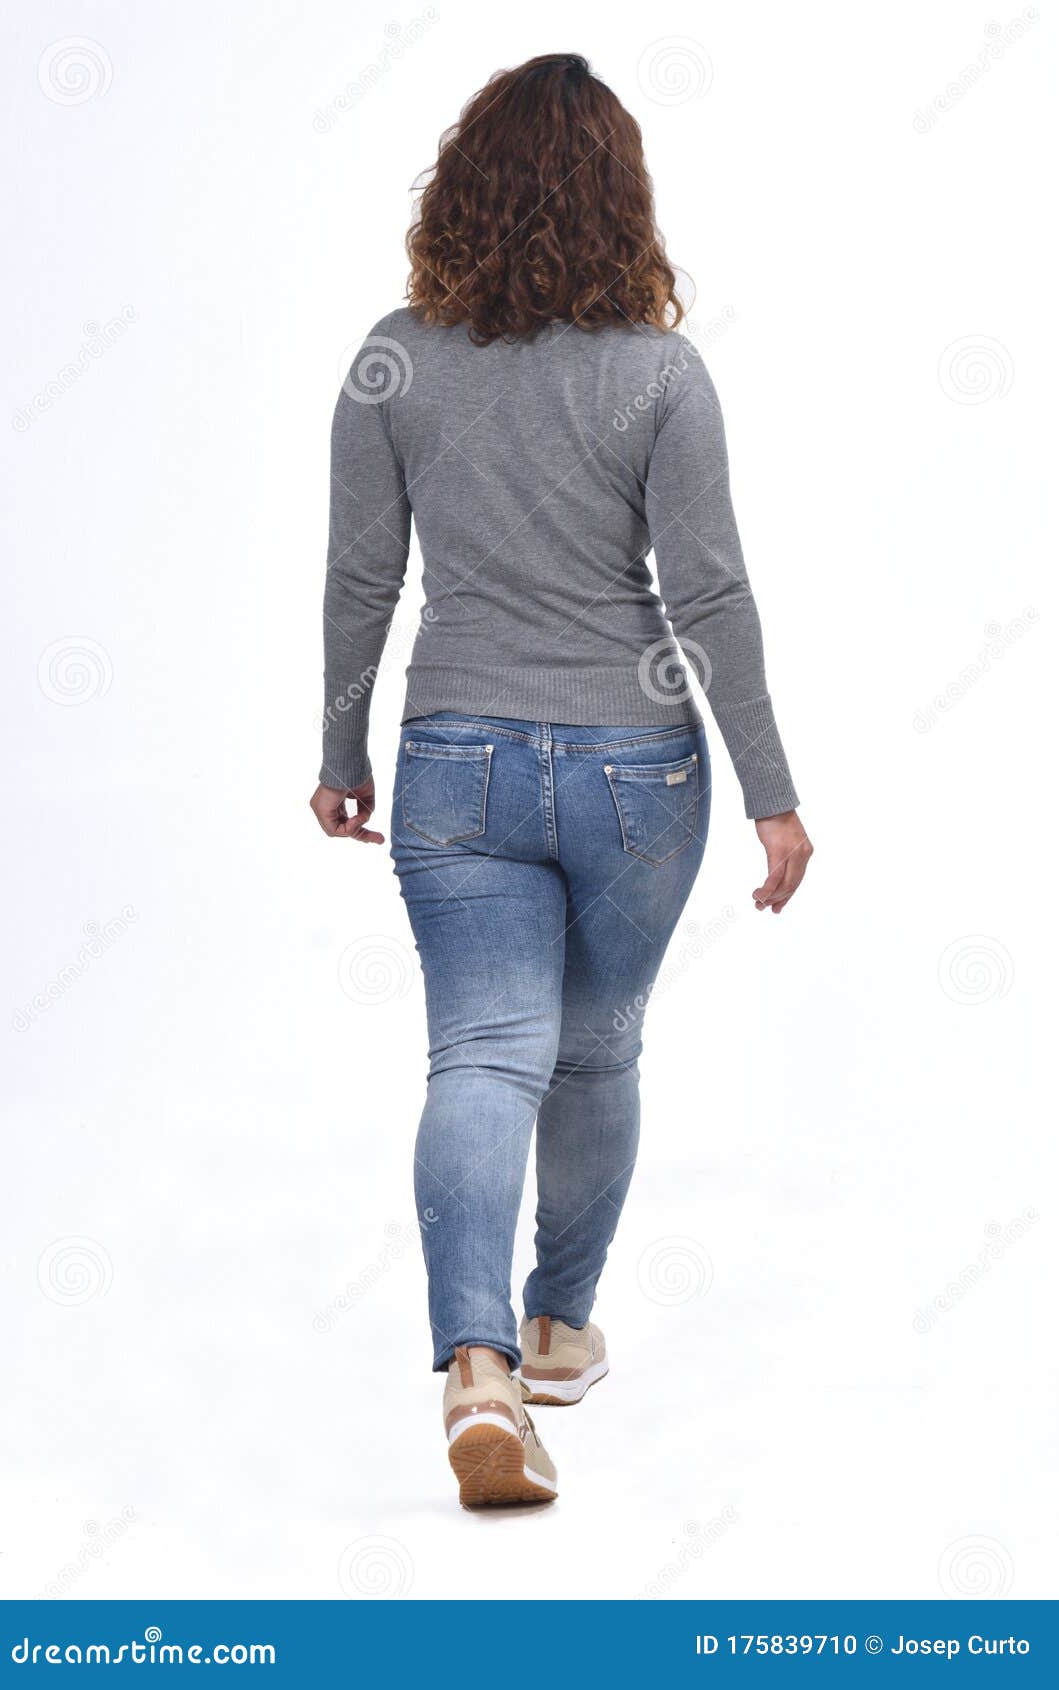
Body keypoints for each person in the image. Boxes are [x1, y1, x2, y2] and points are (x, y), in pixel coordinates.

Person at [310, 52, 813, 1507]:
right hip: (635, 773)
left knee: (481, 1054)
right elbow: (708, 596)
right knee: (592, 1048)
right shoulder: (662, 372)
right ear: (622, 201)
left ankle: (471, 1366)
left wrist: (340, 752)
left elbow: (362, 578)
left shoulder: (392, 357)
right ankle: (555, 1326)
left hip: (456, 754)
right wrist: (774, 791)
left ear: (459, 186)